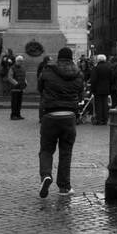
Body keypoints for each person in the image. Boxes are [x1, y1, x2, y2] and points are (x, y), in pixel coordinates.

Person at [37, 47, 85, 198]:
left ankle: (46, 175)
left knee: (46, 150)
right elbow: (80, 93)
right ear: (71, 58)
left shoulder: (48, 70)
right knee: (66, 152)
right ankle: (64, 187)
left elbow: (40, 89)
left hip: (50, 115)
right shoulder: (78, 74)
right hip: (69, 116)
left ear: (58, 57)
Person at [89, 54, 113, 125]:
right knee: (105, 104)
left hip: (97, 89)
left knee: (98, 104)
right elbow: (111, 79)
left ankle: (99, 119)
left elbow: (93, 80)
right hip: (106, 88)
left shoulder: (96, 68)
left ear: (98, 60)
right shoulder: (109, 68)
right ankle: (105, 119)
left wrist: (92, 89)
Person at [7, 54, 28, 120]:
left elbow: (24, 77)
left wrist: (25, 82)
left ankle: (18, 114)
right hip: (14, 88)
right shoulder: (12, 68)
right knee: (14, 102)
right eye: (19, 61)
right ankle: (13, 115)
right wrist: (16, 83)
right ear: (16, 61)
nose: (21, 62)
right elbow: (10, 77)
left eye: (21, 61)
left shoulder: (23, 68)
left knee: (19, 102)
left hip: (21, 88)